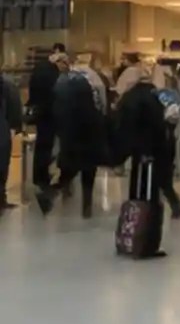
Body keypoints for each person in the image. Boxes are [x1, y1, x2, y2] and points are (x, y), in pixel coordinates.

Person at [39, 57, 108, 218]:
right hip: (89, 132)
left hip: (69, 133)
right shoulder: (92, 82)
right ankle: (86, 206)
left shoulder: (61, 83)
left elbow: (55, 108)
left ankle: (52, 192)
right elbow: (101, 107)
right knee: (88, 170)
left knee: (69, 168)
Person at [116, 68, 180, 220]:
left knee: (137, 175)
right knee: (162, 176)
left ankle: (137, 206)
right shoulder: (160, 96)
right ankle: (170, 204)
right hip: (159, 141)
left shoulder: (128, 97)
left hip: (137, 144)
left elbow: (120, 121)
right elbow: (172, 117)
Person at [27, 45, 67, 194]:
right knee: (45, 147)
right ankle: (41, 178)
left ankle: (39, 176)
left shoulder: (41, 68)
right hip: (48, 114)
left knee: (42, 146)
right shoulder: (51, 73)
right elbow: (53, 94)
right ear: (60, 62)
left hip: (40, 113)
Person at [0, 74, 22, 210]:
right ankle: (1, 200)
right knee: (2, 167)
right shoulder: (7, 84)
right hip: (2, 132)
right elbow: (15, 107)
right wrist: (15, 126)